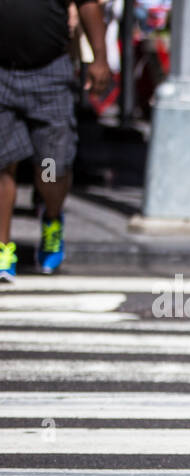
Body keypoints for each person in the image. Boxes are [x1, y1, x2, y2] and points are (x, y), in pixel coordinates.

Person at [0, 0, 111, 280]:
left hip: (48, 73)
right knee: (3, 164)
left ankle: (51, 218)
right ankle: (2, 248)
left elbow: (88, 4)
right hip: (2, 74)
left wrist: (99, 58)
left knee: (50, 168)